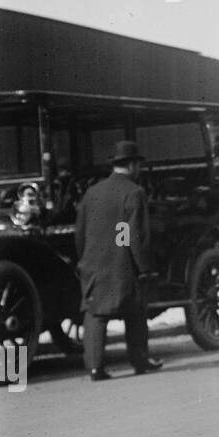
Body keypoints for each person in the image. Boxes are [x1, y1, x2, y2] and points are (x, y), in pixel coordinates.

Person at [74, 140, 162, 381]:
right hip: (122, 264)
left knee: (95, 314)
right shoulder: (134, 192)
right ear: (133, 166)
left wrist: (84, 259)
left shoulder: (92, 192)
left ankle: (95, 367)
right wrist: (144, 268)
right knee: (136, 312)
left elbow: (80, 232)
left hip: (92, 263)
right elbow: (134, 235)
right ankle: (140, 361)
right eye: (138, 165)